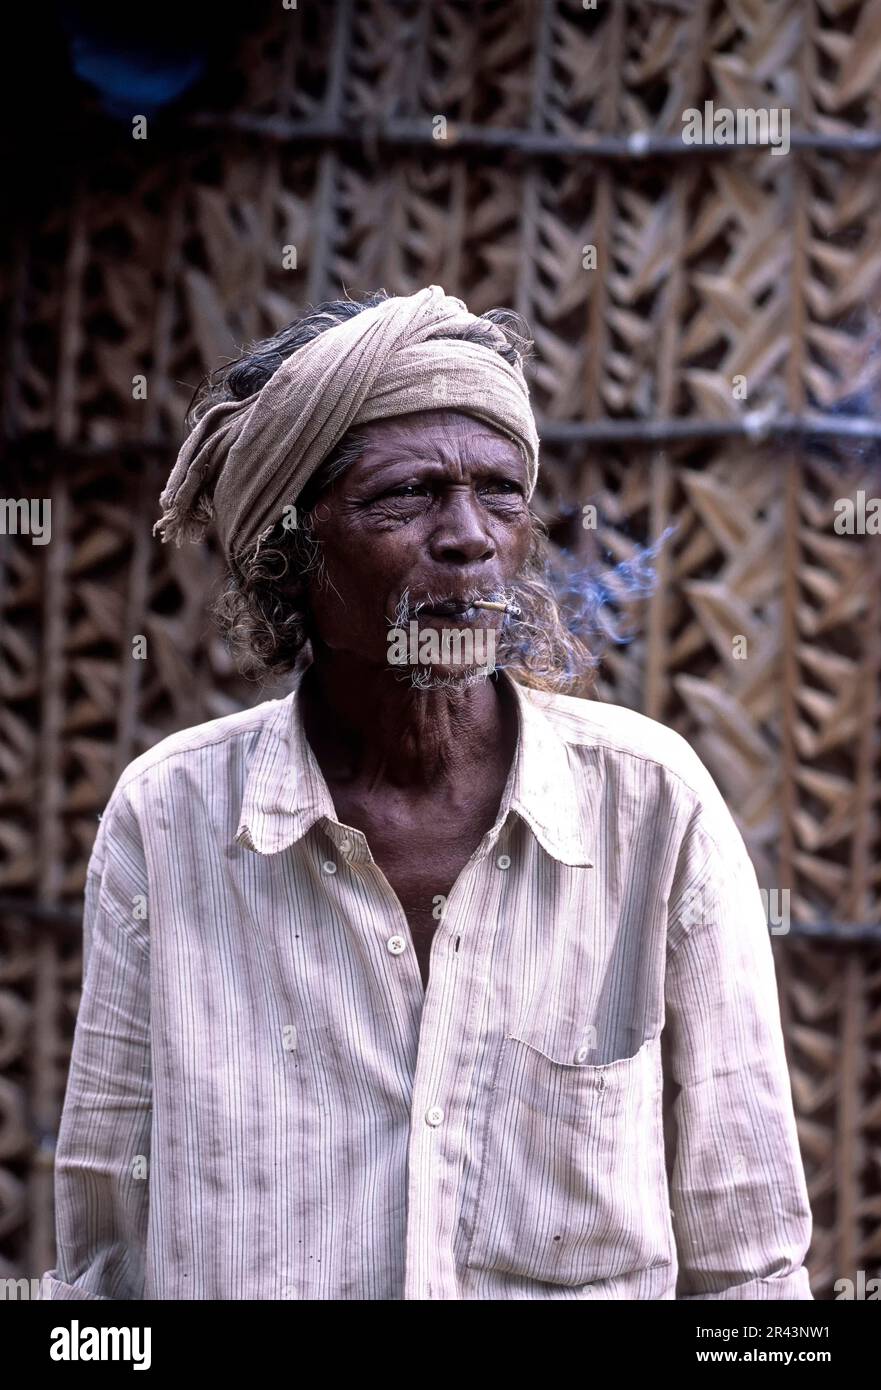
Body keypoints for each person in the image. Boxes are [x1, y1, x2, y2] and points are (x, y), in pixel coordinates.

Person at [43, 285, 813, 1300]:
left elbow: (750, 1267)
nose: (468, 538)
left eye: (499, 493)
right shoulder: (172, 821)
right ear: (293, 550)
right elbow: (104, 1266)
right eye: (404, 498)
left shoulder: (649, 810)